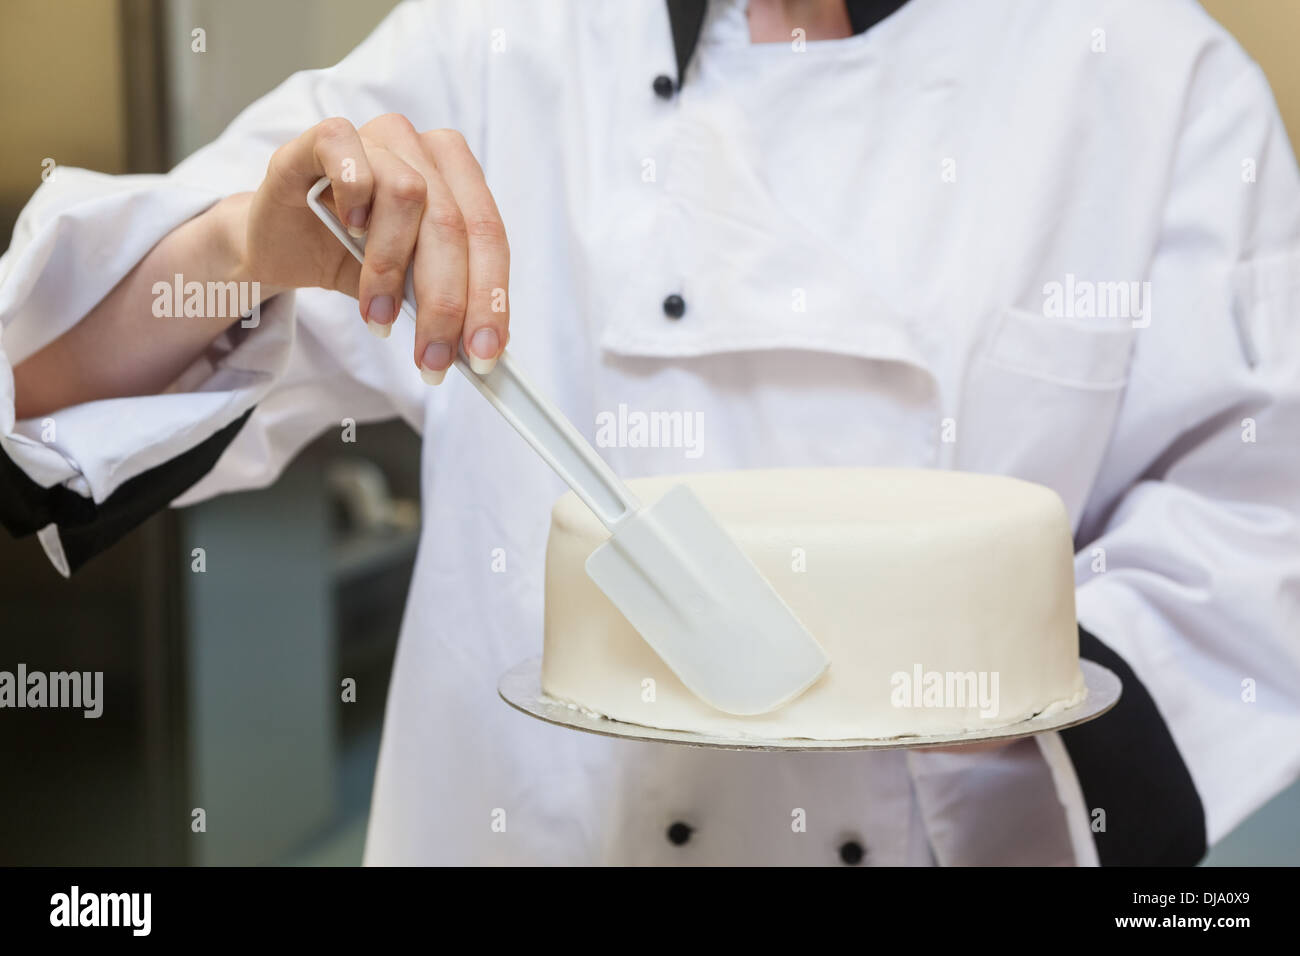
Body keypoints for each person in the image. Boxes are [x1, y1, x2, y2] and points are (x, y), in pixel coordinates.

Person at [2, 0, 1297, 865]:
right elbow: (51, 376)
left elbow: (1262, 516)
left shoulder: (1151, 69)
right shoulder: (500, 39)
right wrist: (243, 247)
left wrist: (980, 666)